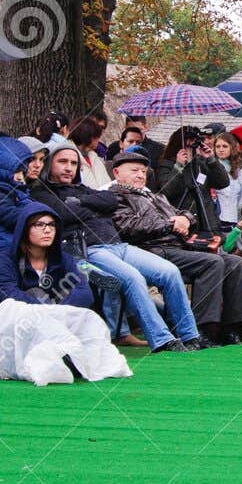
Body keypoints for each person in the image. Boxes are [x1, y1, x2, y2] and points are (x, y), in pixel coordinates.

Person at [32, 139, 203, 353]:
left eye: (73, 163)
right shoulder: (43, 192)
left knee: (169, 272)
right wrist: (90, 207)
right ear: (50, 164)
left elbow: (110, 201)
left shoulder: (82, 189)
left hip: (119, 245)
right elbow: (64, 214)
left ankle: (190, 335)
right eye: (62, 162)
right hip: (89, 249)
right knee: (133, 278)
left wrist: (81, 204)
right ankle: (162, 340)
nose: (68, 167)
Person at [109, 150, 242, 346]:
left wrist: (184, 219)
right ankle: (201, 329)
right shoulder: (114, 196)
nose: (140, 175)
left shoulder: (152, 195)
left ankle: (231, 328)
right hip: (149, 250)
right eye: (134, 170)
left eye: (143, 171)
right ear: (116, 173)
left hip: (178, 246)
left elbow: (184, 213)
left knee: (235, 262)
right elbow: (127, 227)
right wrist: (170, 224)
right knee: (212, 262)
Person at [0, 202, 99, 310]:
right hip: (23, 319)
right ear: (24, 229)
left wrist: (57, 312)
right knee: (35, 293)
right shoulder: (6, 259)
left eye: (52, 225)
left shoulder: (63, 258)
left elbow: (85, 293)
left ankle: (92, 271)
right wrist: (47, 311)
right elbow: (8, 295)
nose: (48, 230)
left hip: (60, 315)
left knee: (68, 291)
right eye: (39, 225)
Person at [156, 125, 231, 235]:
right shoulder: (167, 165)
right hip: (183, 223)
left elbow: (223, 183)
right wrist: (178, 167)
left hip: (207, 222)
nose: (192, 146)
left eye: (196, 142)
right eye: (189, 142)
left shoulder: (201, 163)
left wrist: (211, 159)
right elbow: (167, 192)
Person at [209, 131, 242, 227]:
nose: (221, 149)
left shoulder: (240, 172)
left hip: (235, 220)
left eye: (225, 146)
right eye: (218, 147)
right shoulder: (209, 167)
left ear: (232, 147)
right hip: (214, 219)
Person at [69, 115, 112, 189]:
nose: (98, 141)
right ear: (91, 138)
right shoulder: (69, 156)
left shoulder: (94, 157)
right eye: (97, 137)